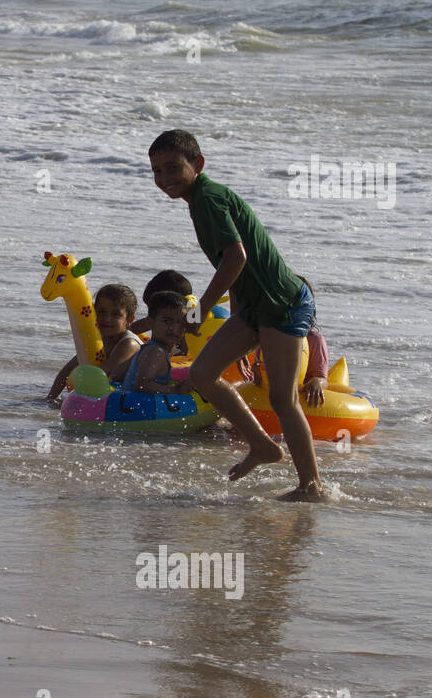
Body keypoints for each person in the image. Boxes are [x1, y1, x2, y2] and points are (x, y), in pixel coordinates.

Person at [148, 129, 323, 500]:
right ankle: (262, 447)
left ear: (198, 164)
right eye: (157, 171)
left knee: (282, 399)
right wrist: (241, 329)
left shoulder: (209, 199)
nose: (165, 179)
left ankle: (312, 486)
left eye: (173, 168)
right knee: (202, 373)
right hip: (254, 307)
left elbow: (237, 258)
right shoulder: (199, 200)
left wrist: (202, 310)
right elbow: (241, 269)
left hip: (283, 304)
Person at [47, 283, 140, 403]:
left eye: (116, 314)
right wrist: (51, 398)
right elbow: (67, 370)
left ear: (129, 320)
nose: (107, 319)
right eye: (101, 312)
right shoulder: (98, 340)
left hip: (130, 395)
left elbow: (102, 373)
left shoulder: (129, 344)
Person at [248, 276, 330, 407]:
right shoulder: (267, 337)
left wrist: (317, 382)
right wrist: (256, 370)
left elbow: (322, 379)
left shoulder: (314, 341)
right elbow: (260, 367)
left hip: (302, 396)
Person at [120, 291, 191, 393]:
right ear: (150, 322)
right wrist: (175, 389)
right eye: (167, 321)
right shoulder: (155, 352)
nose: (174, 328)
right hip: (133, 407)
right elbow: (142, 385)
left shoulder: (148, 348)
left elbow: (116, 374)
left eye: (180, 323)